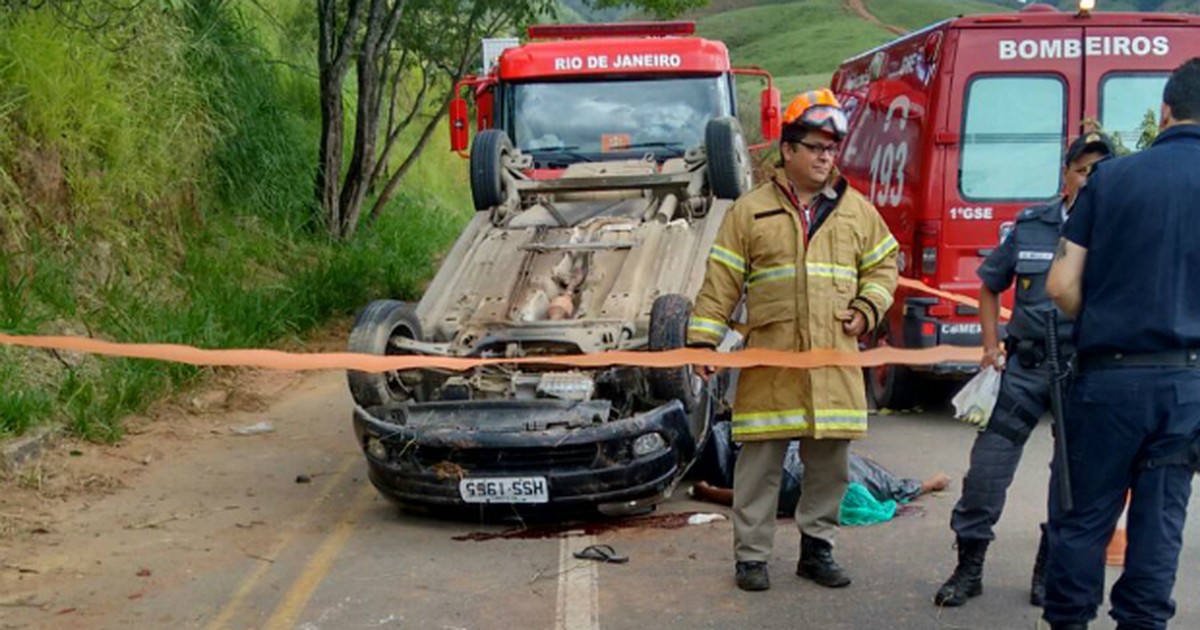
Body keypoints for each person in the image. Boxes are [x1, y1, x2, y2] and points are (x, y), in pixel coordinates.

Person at [686, 88, 898, 592]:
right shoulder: (750, 212)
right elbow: (721, 283)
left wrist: (868, 308)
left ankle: (817, 551)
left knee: (829, 468)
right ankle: (752, 558)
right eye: (815, 146)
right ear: (788, 150)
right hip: (771, 367)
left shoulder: (857, 212)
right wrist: (703, 343)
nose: (826, 156)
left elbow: (885, 268)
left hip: (832, 365)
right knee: (758, 468)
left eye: (832, 148)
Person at [1042, 58, 1200, 630]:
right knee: (1160, 522)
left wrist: (1110, 313)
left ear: (1165, 112)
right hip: (1186, 384)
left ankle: (1067, 622)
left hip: (1108, 380)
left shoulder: (1110, 178)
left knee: (1083, 518)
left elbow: (1059, 285)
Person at [934, 132, 1115, 609]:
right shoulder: (1033, 224)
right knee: (986, 474)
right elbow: (991, 284)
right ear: (1066, 173)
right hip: (1026, 366)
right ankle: (968, 568)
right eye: (1081, 169)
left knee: (1070, 480)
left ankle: (1047, 570)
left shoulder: (1115, 229)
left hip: (1083, 371)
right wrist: (991, 345)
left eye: (1099, 170)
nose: (1089, 178)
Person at [691, 420, 951, 517]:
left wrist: (707, 491)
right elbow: (744, 495)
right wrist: (707, 491)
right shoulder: (869, 480)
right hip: (782, 445)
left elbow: (746, 495)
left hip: (761, 447)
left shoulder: (870, 480)